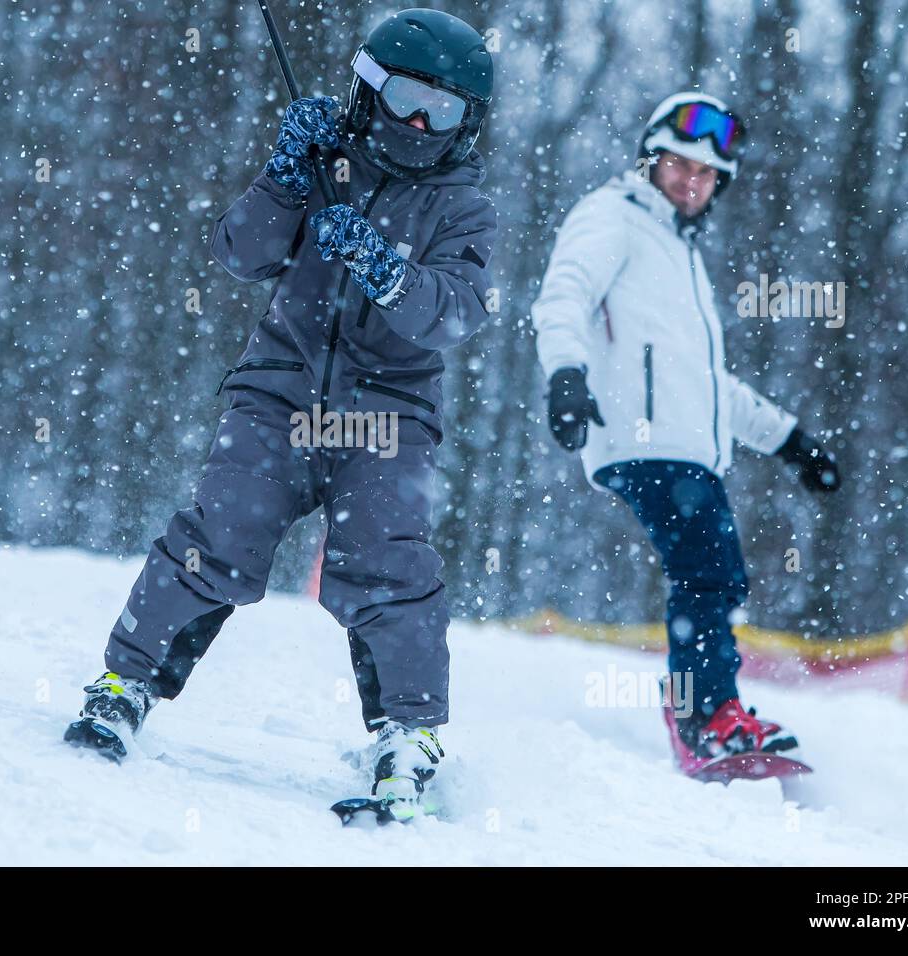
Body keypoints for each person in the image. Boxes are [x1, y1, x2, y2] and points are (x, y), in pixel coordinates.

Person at [66, 9, 496, 811]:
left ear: (466, 127)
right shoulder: (325, 160)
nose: (416, 123)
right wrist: (285, 175)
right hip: (277, 390)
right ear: (368, 89)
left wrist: (380, 264)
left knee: (388, 561)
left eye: (442, 112)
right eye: (405, 97)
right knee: (218, 534)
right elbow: (240, 254)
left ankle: (409, 733)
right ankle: (126, 683)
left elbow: (455, 314)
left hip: (388, 413)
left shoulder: (462, 208)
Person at [530, 91, 842, 768]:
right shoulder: (612, 214)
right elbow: (564, 296)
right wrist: (565, 374)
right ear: (650, 158)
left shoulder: (683, 256)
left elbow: (704, 383)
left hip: (687, 447)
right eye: (677, 164)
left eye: (704, 174)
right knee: (708, 570)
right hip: (640, 439)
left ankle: (708, 706)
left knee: (718, 575)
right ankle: (704, 715)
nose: (689, 180)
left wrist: (789, 440)